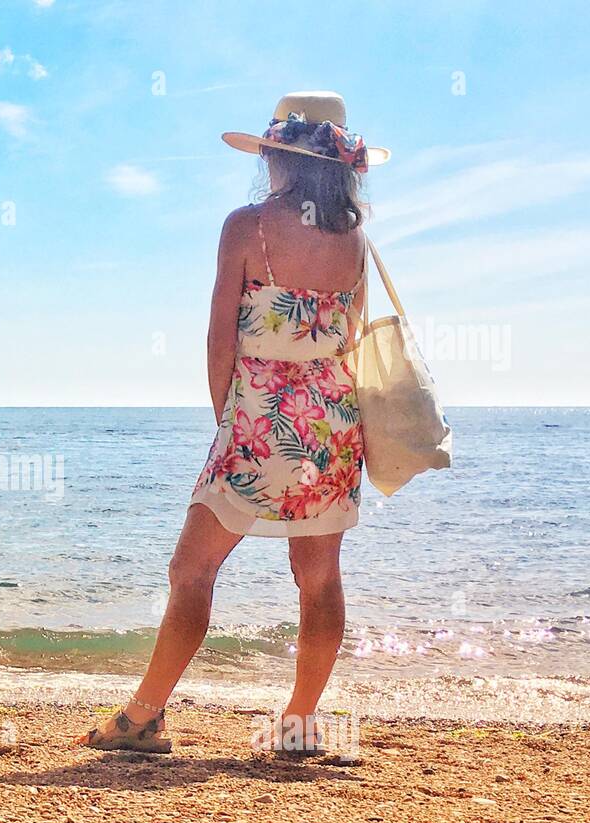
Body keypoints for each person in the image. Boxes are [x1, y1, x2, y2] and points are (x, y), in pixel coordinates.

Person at [79, 91, 390, 756]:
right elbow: (351, 337)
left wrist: (230, 422)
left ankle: (143, 718)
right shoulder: (356, 239)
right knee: (320, 577)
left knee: (192, 568)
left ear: (278, 157)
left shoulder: (246, 227)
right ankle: (300, 725)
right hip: (333, 425)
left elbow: (222, 337)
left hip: (259, 420)